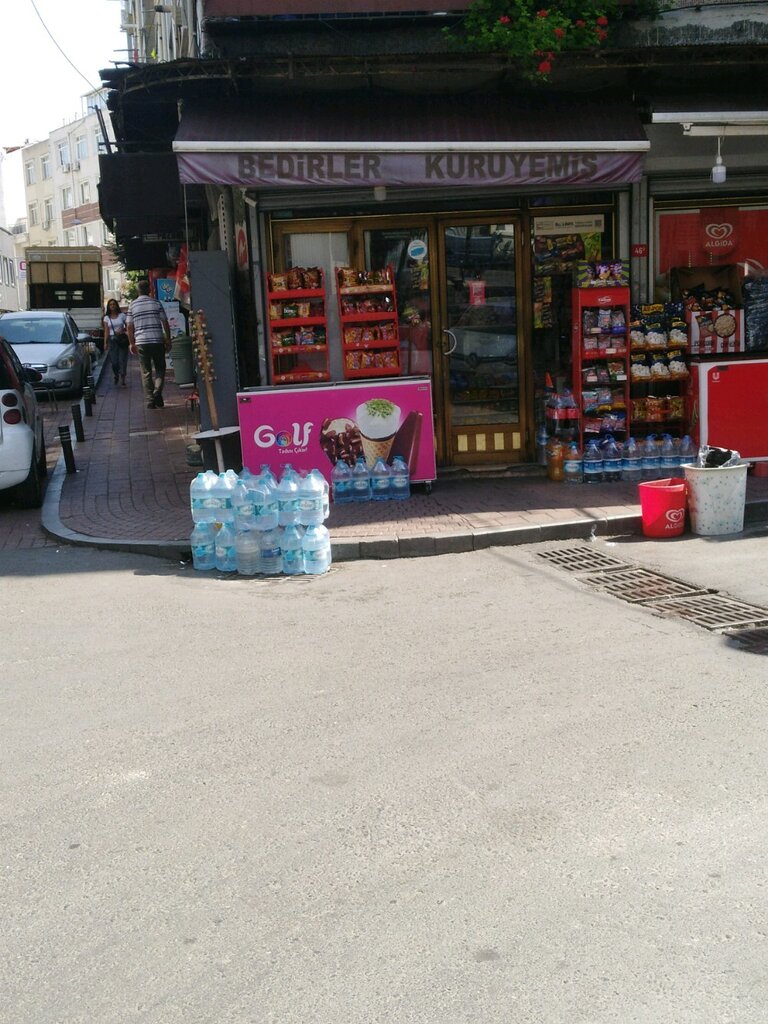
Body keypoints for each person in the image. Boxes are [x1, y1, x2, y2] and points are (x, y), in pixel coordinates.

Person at [126, 279, 171, 409]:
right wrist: (168, 339)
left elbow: (129, 326)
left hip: (141, 342)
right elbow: (165, 322)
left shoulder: (132, 305)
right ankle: (157, 392)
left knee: (146, 371)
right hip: (157, 340)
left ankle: (150, 399)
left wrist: (131, 343)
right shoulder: (156, 303)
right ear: (150, 290)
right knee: (160, 368)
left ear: (138, 291)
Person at [103, 298, 130, 387]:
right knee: (114, 362)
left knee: (122, 360)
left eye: (114, 304)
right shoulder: (106, 318)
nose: (112, 306)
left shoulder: (122, 315)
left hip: (122, 339)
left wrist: (124, 332)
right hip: (112, 341)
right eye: (110, 305)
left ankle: (123, 379)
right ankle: (116, 374)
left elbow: (128, 327)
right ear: (108, 307)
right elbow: (106, 331)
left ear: (116, 305)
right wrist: (105, 343)